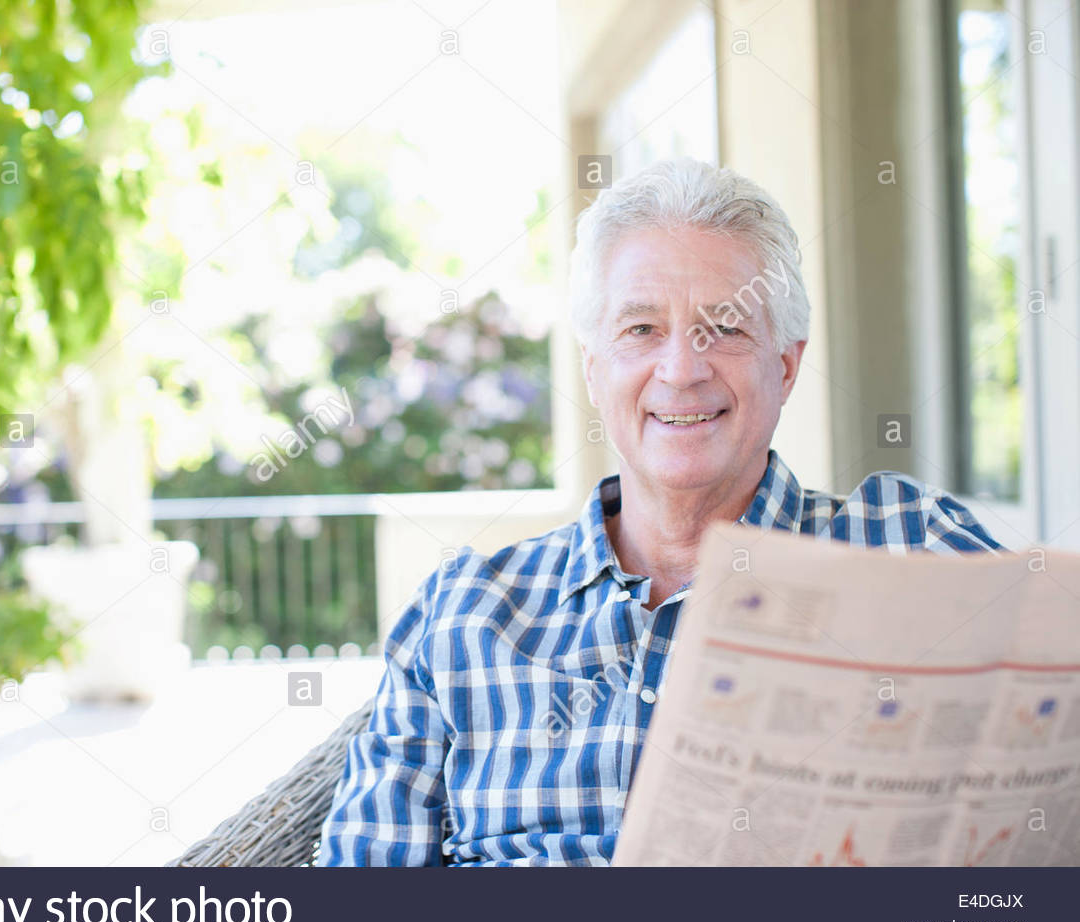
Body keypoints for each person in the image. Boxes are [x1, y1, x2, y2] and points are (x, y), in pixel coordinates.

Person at [318, 157, 1004, 866]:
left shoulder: (906, 547)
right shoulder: (463, 612)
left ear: (787, 365)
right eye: (642, 329)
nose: (681, 369)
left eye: (725, 327)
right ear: (593, 369)